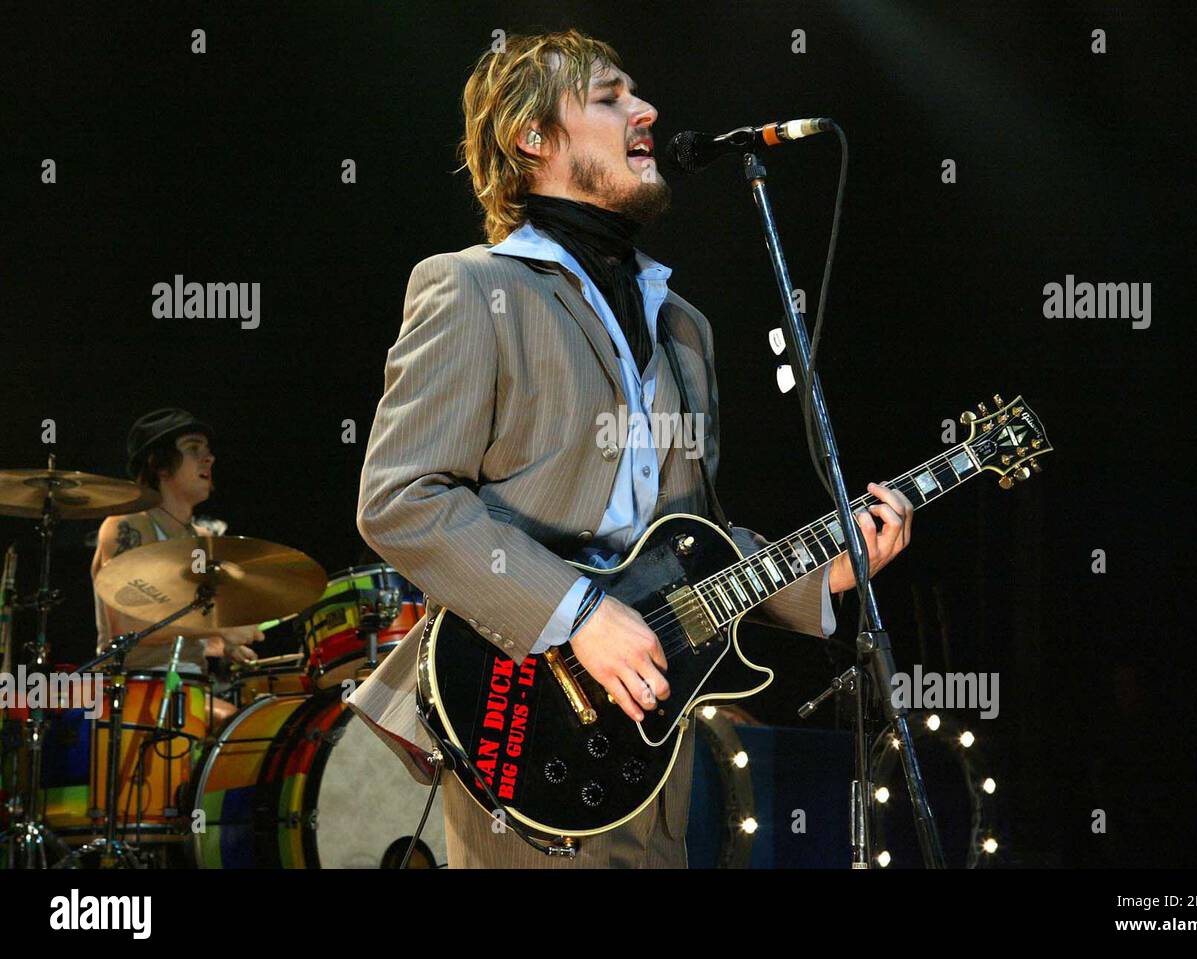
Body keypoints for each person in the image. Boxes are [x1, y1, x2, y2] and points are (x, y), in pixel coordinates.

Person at [347, 29, 914, 868]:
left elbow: (699, 540)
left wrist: (826, 572)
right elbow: (400, 499)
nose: (645, 110)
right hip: (525, 716)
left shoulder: (684, 325)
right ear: (532, 140)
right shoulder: (474, 287)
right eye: (609, 97)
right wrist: (578, 615)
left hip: (653, 738)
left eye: (636, 93)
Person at [90, 408, 262, 723]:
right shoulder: (127, 525)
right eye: (194, 449)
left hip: (192, 685)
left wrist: (222, 644)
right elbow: (127, 628)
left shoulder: (204, 538)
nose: (209, 459)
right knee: (240, 727)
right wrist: (221, 627)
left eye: (208, 451)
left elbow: (188, 625)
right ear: (159, 464)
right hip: (133, 690)